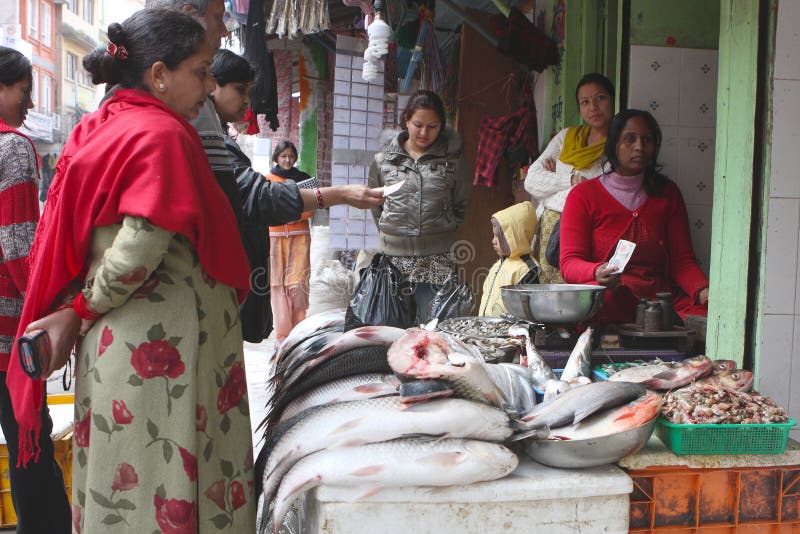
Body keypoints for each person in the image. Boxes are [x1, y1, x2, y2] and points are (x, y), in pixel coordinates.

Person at [8, 9, 258, 532]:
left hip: (119, 346)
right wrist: (80, 309)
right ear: (161, 74)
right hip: (163, 346)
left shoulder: (101, 124)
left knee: (123, 489)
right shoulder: (160, 133)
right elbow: (138, 247)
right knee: (165, 487)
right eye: (202, 70)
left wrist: (82, 312)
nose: (210, 87)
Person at [208, 49, 383, 343]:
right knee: (278, 288)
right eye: (240, 90)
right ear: (210, 84)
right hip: (257, 258)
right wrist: (340, 194)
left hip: (293, 244)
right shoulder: (214, 143)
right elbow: (262, 199)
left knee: (297, 288)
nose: (247, 100)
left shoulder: (301, 177)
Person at [0, 46, 71, 533]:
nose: (29, 103)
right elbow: (19, 244)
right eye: (24, 92)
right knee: (29, 445)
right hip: (8, 331)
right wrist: (53, 314)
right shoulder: (13, 148)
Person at [559, 109, 709, 325]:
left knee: (707, 317)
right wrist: (597, 271)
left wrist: (704, 292)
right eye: (630, 139)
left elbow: (683, 262)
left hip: (659, 302)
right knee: (605, 301)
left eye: (647, 140)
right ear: (613, 145)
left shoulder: (668, 194)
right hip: (611, 298)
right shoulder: (583, 196)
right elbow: (569, 263)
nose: (640, 146)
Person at [368, 90, 472, 323]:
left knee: (433, 329)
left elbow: (461, 204)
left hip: (436, 258)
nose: (424, 132)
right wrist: (392, 232)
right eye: (418, 124)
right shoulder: (383, 161)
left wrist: (442, 228)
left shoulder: (453, 161)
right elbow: (376, 205)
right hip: (393, 259)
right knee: (392, 329)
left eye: (432, 126)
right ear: (406, 121)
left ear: (441, 126)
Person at [524, 73, 615, 283]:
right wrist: (571, 180)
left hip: (583, 233)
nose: (593, 106)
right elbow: (532, 180)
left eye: (600, 98)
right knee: (546, 301)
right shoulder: (567, 137)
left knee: (575, 297)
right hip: (546, 232)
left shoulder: (616, 146)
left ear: (612, 100)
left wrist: (555, 178)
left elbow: (601, 196)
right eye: (585, 102)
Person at [264, 141, 313, 346]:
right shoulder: (268, 180)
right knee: (277, 284)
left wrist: (288, 215)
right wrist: (291, 213)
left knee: (298, 283)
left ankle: (299, 330)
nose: (287, 160)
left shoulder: (305, 180)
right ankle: (282, 335)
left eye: (291, 155)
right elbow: (266, 207)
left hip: (300, 236)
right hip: (274, 238)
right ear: (276, 157)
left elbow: (311, 208)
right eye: (283, 155)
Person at [478, 201, 539, 317]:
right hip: (487, 328)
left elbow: (529, 311)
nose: (493, 241)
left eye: (498, 236)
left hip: (509, 332)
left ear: (514, 236)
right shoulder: (499, 264)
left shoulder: (527, 269)